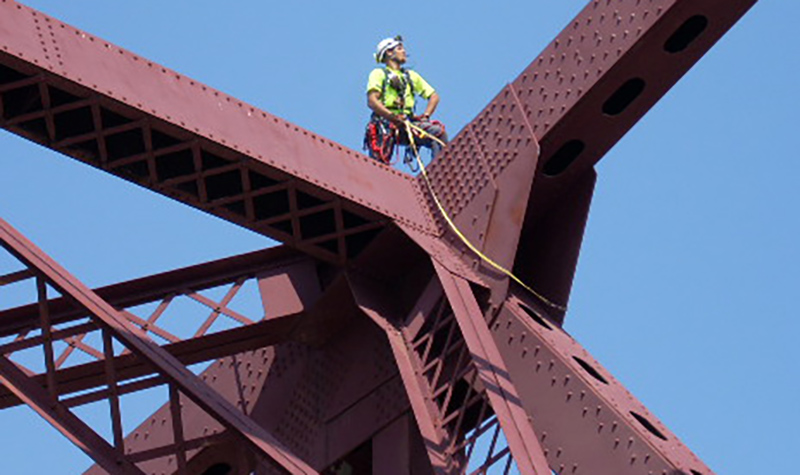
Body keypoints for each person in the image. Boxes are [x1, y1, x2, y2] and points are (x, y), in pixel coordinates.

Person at [363, 35, 447, 166]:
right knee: (378, 162)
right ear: (389, 52)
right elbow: (372, 101)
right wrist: (392, 117)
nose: (404, 52)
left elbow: (434, 96)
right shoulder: (379, 74)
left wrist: (425, 116)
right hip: (385, 124)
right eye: (400, 48)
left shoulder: (411, 76)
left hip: (406, 124)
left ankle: (440, 171)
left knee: (438, 134)